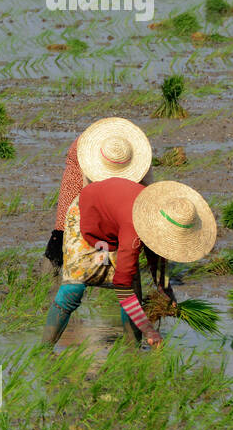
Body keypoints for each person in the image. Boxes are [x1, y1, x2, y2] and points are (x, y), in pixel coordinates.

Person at [43, 178, 216, 349]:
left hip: (116, 217)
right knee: (74, 288)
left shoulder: (161, 212)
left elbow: (156, 255)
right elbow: (122, 286)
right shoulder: (133, 229)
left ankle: (131, 353)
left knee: (133, 288)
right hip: (87, 214)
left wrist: (166, 292)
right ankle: (43, 350)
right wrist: (149, 330)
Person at [43, 117, 152, 271]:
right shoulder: (86, 155)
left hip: (121, 151)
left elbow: (148, 194)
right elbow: (88, 198)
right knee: (66, 218)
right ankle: (52, 270)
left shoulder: (140, 156)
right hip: (85, 151)